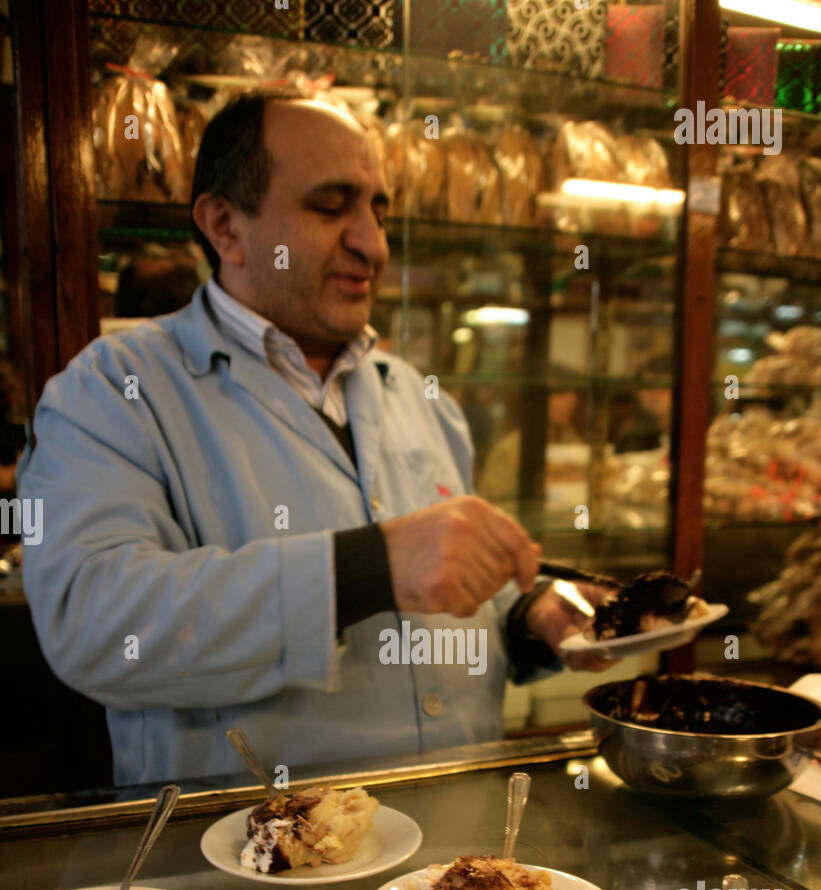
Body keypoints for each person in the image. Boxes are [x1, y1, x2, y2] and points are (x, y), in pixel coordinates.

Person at [18, 94, 610, 787]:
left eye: (379, 211)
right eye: (332, 207)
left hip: (457, 855)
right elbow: (93, 624)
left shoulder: (419, 396)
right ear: (226, 227)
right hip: (252, 868)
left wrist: (533, 613)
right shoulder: (113, 392)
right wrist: (371, 565)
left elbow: (447, 595)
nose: (373, 244)